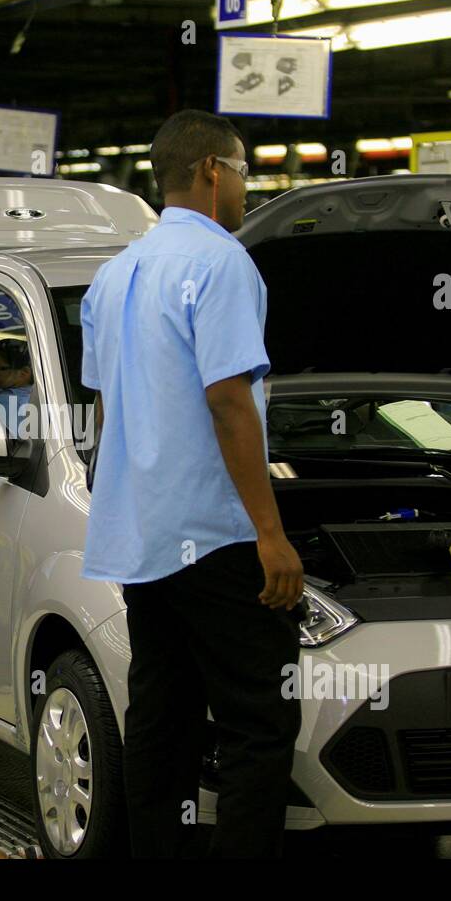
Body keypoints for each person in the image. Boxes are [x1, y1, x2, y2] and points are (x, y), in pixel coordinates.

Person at [79, 109, 304, 858]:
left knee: (161, 720)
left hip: (142, 539)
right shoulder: (223, 264)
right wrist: (271, 534)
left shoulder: (111, 279)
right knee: (258, 725)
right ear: (213, 169)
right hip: (215, 538)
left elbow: (109, 415)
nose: (246, 188)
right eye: (244, 171)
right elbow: (228, 400)